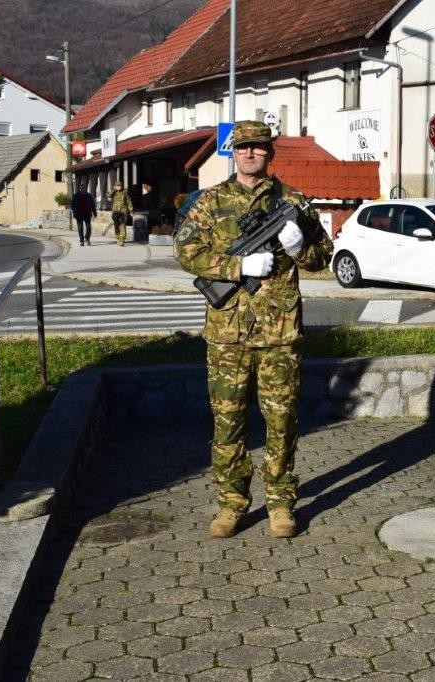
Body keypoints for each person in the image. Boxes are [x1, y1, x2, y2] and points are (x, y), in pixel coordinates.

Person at [174, 120, 333, 539]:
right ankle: (232, 505)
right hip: (227, 335)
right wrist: (236, 266)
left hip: (278, 332)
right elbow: (186, 250)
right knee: (227, 422)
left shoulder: (293, 201)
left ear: (269, 153)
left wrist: (300, 247)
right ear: (233, 152)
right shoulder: (209, 201)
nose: (250, 155)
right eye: (243, 148)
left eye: (258, 148)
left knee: (281, 420)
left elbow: (323, 257)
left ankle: (281, 505)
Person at [109, 180, 133, 247]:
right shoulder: (114, 192)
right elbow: (108, 195)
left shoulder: (125, 192)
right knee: (116, 224)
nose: (118, 187)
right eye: (117, 186)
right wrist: (114, 190)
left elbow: (129, 201)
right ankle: (118, 236)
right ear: (115, 186)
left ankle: (122, 239)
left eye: (119, 186)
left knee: (123, 225)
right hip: (115, 211)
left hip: (123, 211)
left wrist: (131, 210)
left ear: (121, 186)